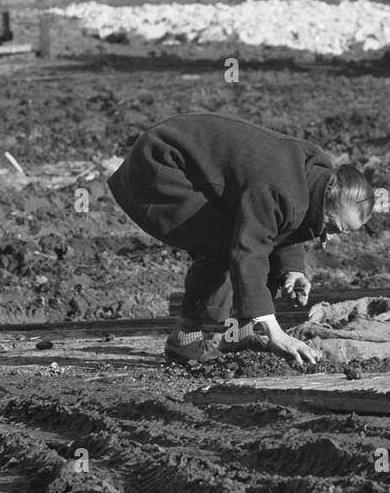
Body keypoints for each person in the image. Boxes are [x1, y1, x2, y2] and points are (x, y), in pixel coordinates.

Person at [107, 112, 375, 365]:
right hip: (159, 165)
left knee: (246, 236)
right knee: (226, 242)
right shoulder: (281, 189)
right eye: (332, 227)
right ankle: (188, 340)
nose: (328, 238)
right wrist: (276, 333)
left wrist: (292, 270)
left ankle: (238, 334)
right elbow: (250, 250)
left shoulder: (316, 177)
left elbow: (281, 222)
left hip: (189, 161)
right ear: (327, 200)